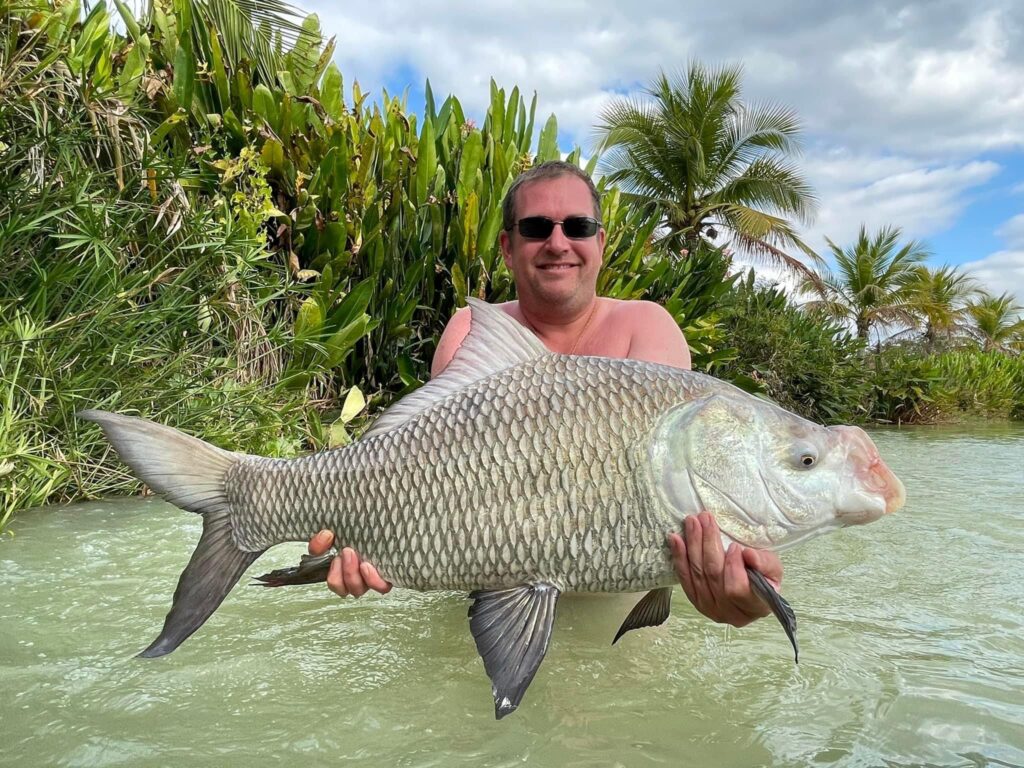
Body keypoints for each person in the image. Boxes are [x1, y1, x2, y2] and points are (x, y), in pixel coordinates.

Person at [307, 161, 783, 629]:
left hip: (613, 620)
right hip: (482, 601)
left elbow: (674, 491)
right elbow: (420, 473)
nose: (558, 243)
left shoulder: (646, 326)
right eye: (536, 228)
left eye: (578, 227)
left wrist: (744, 582)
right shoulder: (471, 328)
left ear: (600, 242)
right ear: (507, 247)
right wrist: (367, 539)